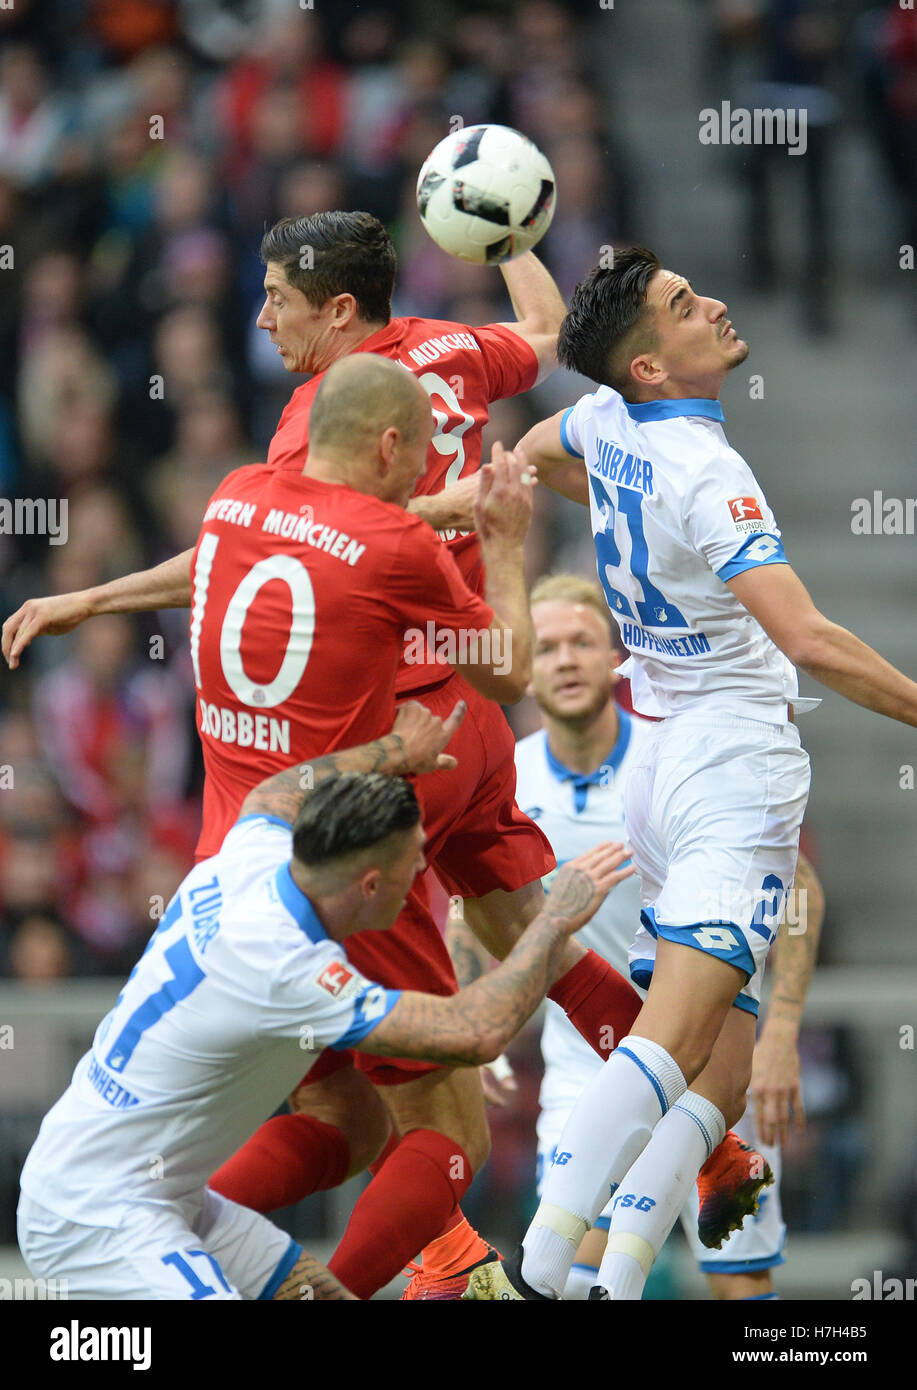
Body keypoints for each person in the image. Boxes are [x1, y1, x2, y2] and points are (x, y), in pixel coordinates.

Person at [4, 212, 655, 1299]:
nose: (260, 317)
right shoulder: (450, 353)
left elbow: (261, 552)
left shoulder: (247, 486)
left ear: (339, 315)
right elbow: (501, 661)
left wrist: (89, 594)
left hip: (282, 822)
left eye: (277, 300)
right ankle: (433, 1246)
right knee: (436, 1107)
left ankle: (347, 1250)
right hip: (403, 764)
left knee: (348, 1111)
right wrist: (497, 530)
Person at [464, 245, 917, 1301]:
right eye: (681, 304)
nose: (712, 303)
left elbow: (532, 445)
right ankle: (535, 1267)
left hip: (657, 759)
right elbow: (806, 639)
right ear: (650, 367)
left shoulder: (607, 423)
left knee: (713, 1075)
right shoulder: (706, 472)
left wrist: (622, 509)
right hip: (727, 767)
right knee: (668, 1051)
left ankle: (615, 1276)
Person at [18, 700, 634, 1300]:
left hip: (165, 1194)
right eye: (413, 859)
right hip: (97, 1212)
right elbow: (475, 1031)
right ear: (370, 883)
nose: (426, 866)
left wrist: (393, 751)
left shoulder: (255, 850)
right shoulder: (289, 969)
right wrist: (552, 920)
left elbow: (278, 789)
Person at [498, 573, 823, 1297]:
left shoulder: (675, 754)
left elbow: (796, 887)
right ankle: (547, 1267)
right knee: (585, 1284)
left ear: (613, 655)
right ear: (524, 666)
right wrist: (476, 1037)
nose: (564, 659)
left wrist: (781, 1032)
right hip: (589, 1068)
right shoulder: (509, 780)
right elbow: (474, 917)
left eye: (581, 641)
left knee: (740, 1283)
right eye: (545, 646)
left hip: (715, 1050)